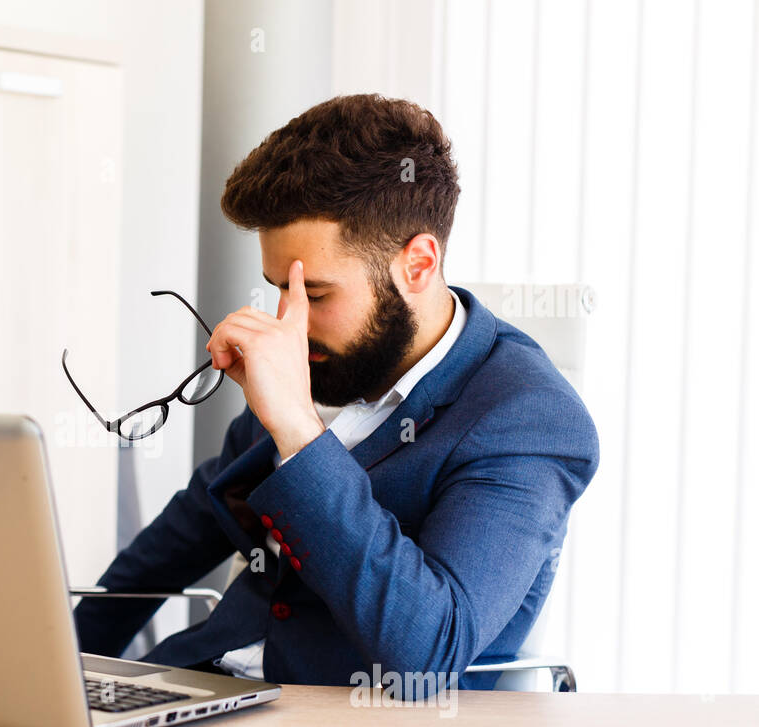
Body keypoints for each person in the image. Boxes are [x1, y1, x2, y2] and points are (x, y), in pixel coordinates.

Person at [73, 93, 599, 696]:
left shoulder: (528, 417)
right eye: (277, 290)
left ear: (419, 264)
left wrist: (298, 429)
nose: (288, 324)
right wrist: (55, 670)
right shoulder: (327, 363)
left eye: (315, 295)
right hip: (207, 691)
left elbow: (429, 650)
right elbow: (172, 548)